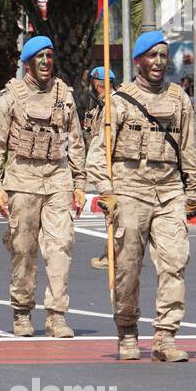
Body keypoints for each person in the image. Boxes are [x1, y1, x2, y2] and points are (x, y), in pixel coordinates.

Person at [86, 30, 196, 362]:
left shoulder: (180, 98)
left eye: (163, 56)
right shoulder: (119, 100)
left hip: (168, 193)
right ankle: (127, 332)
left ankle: (165, 337)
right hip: (130, 192)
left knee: (174, 264)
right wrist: (106, 191)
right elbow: (98, 153)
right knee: (128, 269)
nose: (159, 62)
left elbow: (189, 149)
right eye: (152, 56)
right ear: (138, 60)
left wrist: (192, 192)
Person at [0, 35, 86, 338]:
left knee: (59, 248)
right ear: (28, 62)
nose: (46, 62)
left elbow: (75, 141)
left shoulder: (64, 95)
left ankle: (56, 315)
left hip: (57, 179)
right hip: (22, 181)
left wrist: (80, 182)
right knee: (23, 250)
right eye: (39, 57)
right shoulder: (11, 97)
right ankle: (22, 312)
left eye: (50, 56)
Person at [84, 67, 116, 270]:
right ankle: (111, 254)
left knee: (112, 214)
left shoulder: (111, 106)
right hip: (110, 167)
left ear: (97, 83)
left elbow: (101, 144)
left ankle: (113, 257)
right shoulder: (103, 105)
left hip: (110, 169)